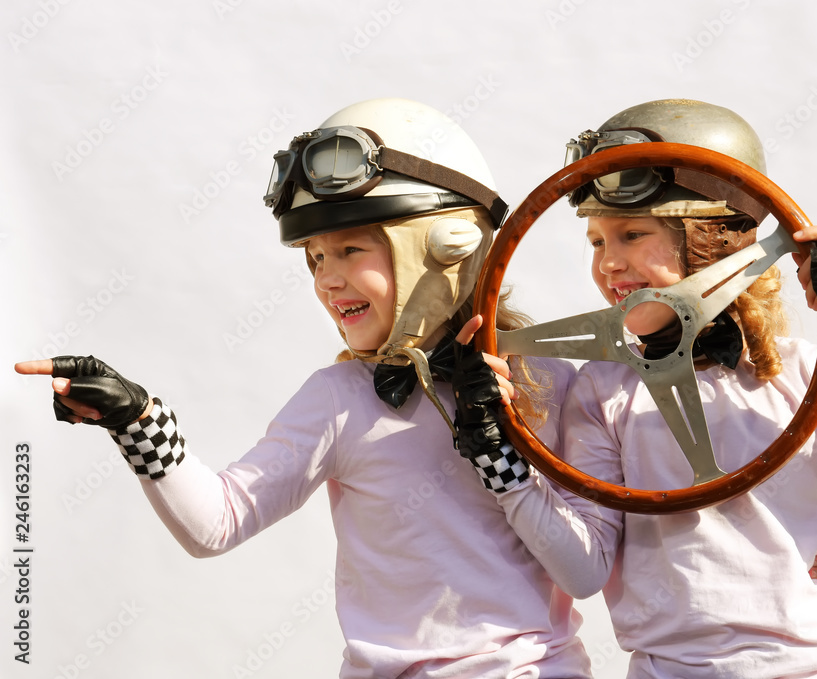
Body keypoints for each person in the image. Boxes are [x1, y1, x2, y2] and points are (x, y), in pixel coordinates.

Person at [14, 98, 594, 678]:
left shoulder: (549, 381)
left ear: (444, 246)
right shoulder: (339, 397)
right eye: (314, 257)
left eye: (349, 249)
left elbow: (585, 574)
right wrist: (138, 422)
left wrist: (500, 459)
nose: (327, 279)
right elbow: (217, 525)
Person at [454, 99, 817, 677]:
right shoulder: (600, 391)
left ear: (713, 239)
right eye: (598, 241)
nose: (608, 264)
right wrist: (499, 461)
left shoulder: (797, 372)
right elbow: (583, 571)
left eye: (631, 234)